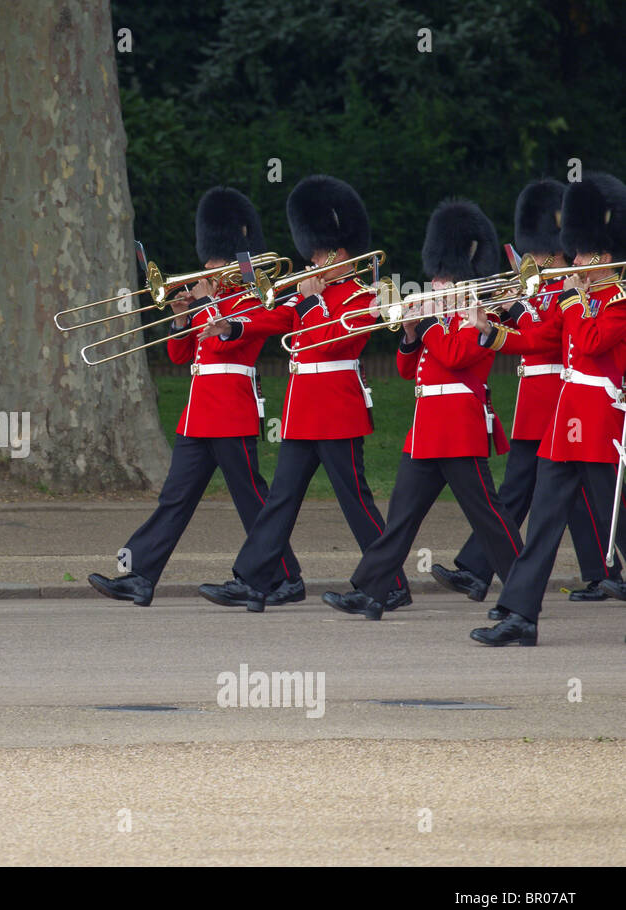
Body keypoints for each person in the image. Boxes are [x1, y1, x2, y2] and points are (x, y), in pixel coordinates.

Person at [198, 175, 410, 613]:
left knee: (354, 499)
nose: (313, 261)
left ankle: (390, 583)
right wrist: (233, 326)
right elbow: (273, 322)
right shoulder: (312, 293)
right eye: (313, 252)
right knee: (280, 499)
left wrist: (315, 304)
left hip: (336, 410)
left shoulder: (364, 295)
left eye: (322, 253)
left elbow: (334, 340)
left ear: (345, 252)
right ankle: (254, 580)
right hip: (302, 412)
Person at [87, 187, 304, 607]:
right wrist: (181, 315)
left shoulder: (255, 297)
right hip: (198, 412)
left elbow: (226, 343)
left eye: (216, 258)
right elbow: (179, 354)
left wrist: (205, 303)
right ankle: (140, 575)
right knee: (175, 498)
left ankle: (286, 577)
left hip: (232, 409)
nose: (206, 266)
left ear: (237, 257)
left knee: (252, 499)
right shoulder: (215, 301)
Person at [322, 200, 525, 620]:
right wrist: (411, 334)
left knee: (489, 517)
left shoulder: (481, 315)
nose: (434, 282)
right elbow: (405, 370)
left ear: (462, 275)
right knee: (401, 518)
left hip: (460, 428)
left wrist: (429, 323)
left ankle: (523, 593)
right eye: (435, 275)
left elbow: (454, 356)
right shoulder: (440, 315)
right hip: (426, 430)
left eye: (442, 275)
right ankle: (372, 592)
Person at [432, 180, 620, 611]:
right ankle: (502, 585)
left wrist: (527, 306)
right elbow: (535, 336)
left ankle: (598, 573)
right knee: (535, 492)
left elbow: (570, 339)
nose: (537, 260)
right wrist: (491, 328)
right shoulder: (558, 286)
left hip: (570, 400)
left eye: (541, 253)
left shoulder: (586, 293)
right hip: (544, 401)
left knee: (587, 496)